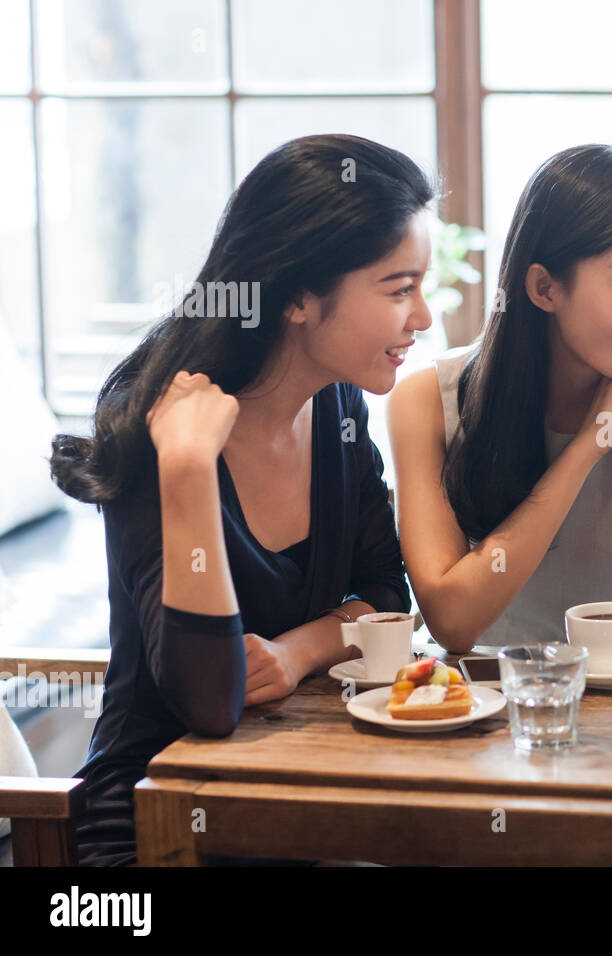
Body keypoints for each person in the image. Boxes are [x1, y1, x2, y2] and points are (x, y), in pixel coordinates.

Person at [49, 134, 433, 865]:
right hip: (151, 833)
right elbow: (210, 702)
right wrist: (189, 469)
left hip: (296, 812)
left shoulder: (339, 406)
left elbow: (385, 595)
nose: (421, 317)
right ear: (297, 295)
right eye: (397, 289)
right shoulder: (155, 420)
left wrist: (295, 652)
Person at [387, 144, 612, 654]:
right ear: (544, 288)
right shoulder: (428, 401)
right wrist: (586, 448)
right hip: (475, 705)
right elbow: (452, 622)